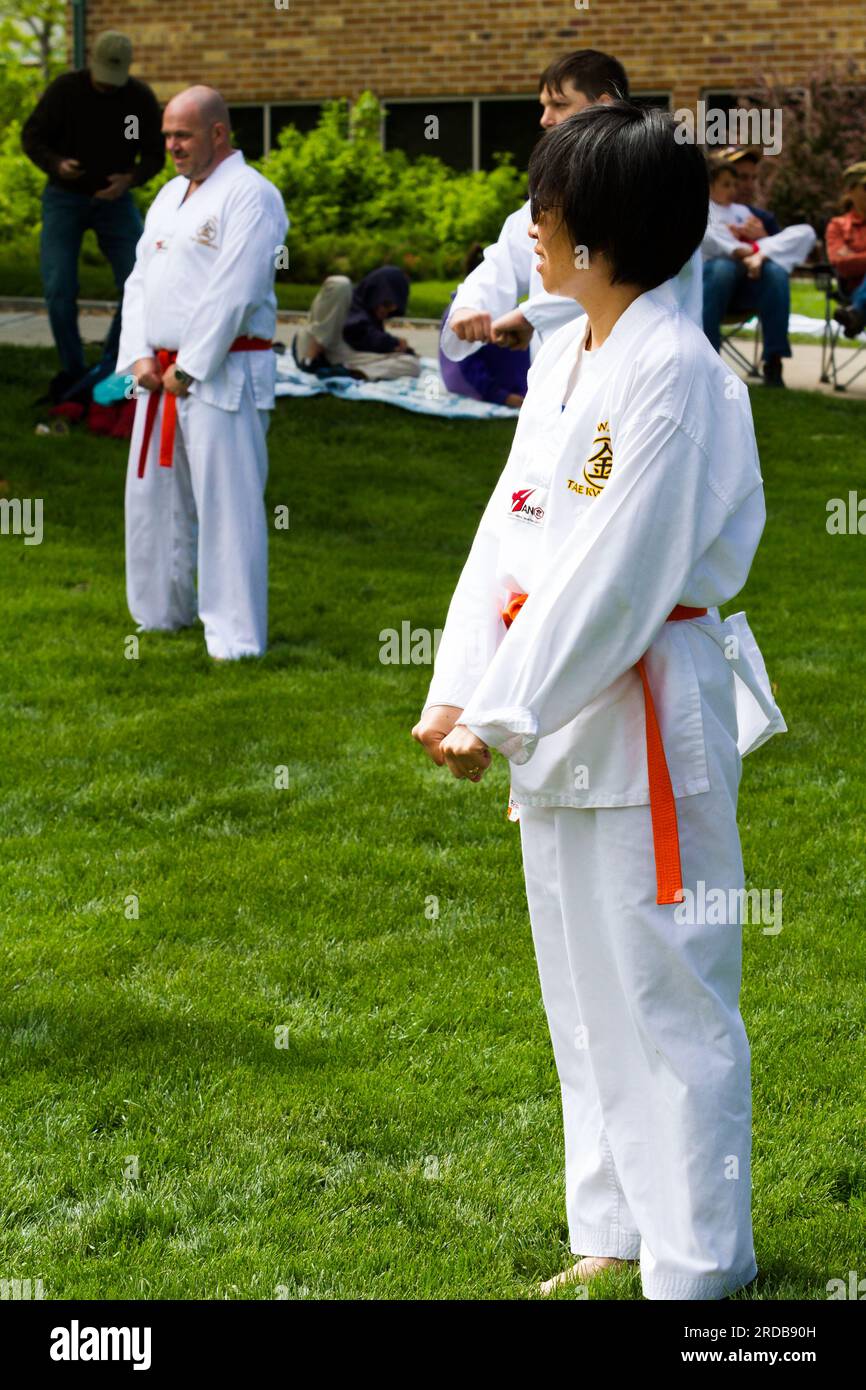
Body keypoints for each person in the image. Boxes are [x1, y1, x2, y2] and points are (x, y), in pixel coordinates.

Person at [412, 102, 786, 1301]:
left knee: (663, 987)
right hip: (558, 705)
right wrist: (461, 683)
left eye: (547, 202)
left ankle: (696, 1264)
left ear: (604, 228)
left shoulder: (675, 375)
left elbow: (615, 577)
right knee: (580, 987)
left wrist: (499, 710)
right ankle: (613, 1227)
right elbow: (509, 532)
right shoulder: (572, 350)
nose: (531, 221)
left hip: (638, 708)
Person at [116, 85, 288, 662]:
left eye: (182, 135)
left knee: (227, 506)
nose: (171, 146)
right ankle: (161, 612)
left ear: (218, 132)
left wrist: (190, 366)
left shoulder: (251, 195)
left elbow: (236, 288)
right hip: (157, 375)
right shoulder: (167, 195)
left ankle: (235, 638)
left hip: (224, 374)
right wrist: (139, 353)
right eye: (166, 135)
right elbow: (138, 280)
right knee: (153, 498)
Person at [441, 49, 703, 370]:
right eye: (543, 106)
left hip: (641, 367)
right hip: (557, 377)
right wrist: (471, 307)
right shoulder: (556, 191)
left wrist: (529, 315)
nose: (544, 119)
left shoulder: (649, 182)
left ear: (604, 104)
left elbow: (615, 275)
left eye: (559, 104)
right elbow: (505, 258)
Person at [21, 31, 164, 397]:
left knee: (139, 278)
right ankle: (73, 369)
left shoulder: (138, 100)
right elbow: (32, 137)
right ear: (91, 63)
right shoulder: (65, 91)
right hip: (64, 197)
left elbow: (153, 154)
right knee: (59, 286)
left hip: (114, 201)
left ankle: (112, 362)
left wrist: (129, 179)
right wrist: (56, 164)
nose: (107, 87)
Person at [701, 157, 816, 387]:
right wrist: (742, 250)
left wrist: (761, 242)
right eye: (727, 184)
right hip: (715, 287)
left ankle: (773, 360)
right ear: (710, 185)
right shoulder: (702, 210)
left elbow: (787, 245)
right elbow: (708, 240)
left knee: (778, 267)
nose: (734, 189)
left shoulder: (746, 212)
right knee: (723, 267)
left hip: (754, 287)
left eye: (736, 183)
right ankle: (708, 360)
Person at [438, 246, 528, 407]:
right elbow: (466, 367)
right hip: (495, 393)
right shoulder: (465, 315)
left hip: (519, 390)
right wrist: (502, 397)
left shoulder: (515, 311)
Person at [294, 266, 420, 380]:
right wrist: (394, 343)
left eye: (392, 310)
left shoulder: (370, 313)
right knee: (341, 284)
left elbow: (366, 342)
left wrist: (401, 349)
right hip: (313, 344)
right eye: (386, 304)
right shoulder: (346, 298)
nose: (386, 312)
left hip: (340, 357)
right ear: (375, 292)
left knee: (411, 364)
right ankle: (311, 359)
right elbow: (356, 330)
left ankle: (346, 373)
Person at [826, 162, 866, 339]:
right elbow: (841, 264)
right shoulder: (839, 226)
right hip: (852, 289)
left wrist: (855, 257)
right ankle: (857, 310)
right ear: (850, 191)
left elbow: (849, 261)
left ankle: (857, 313)